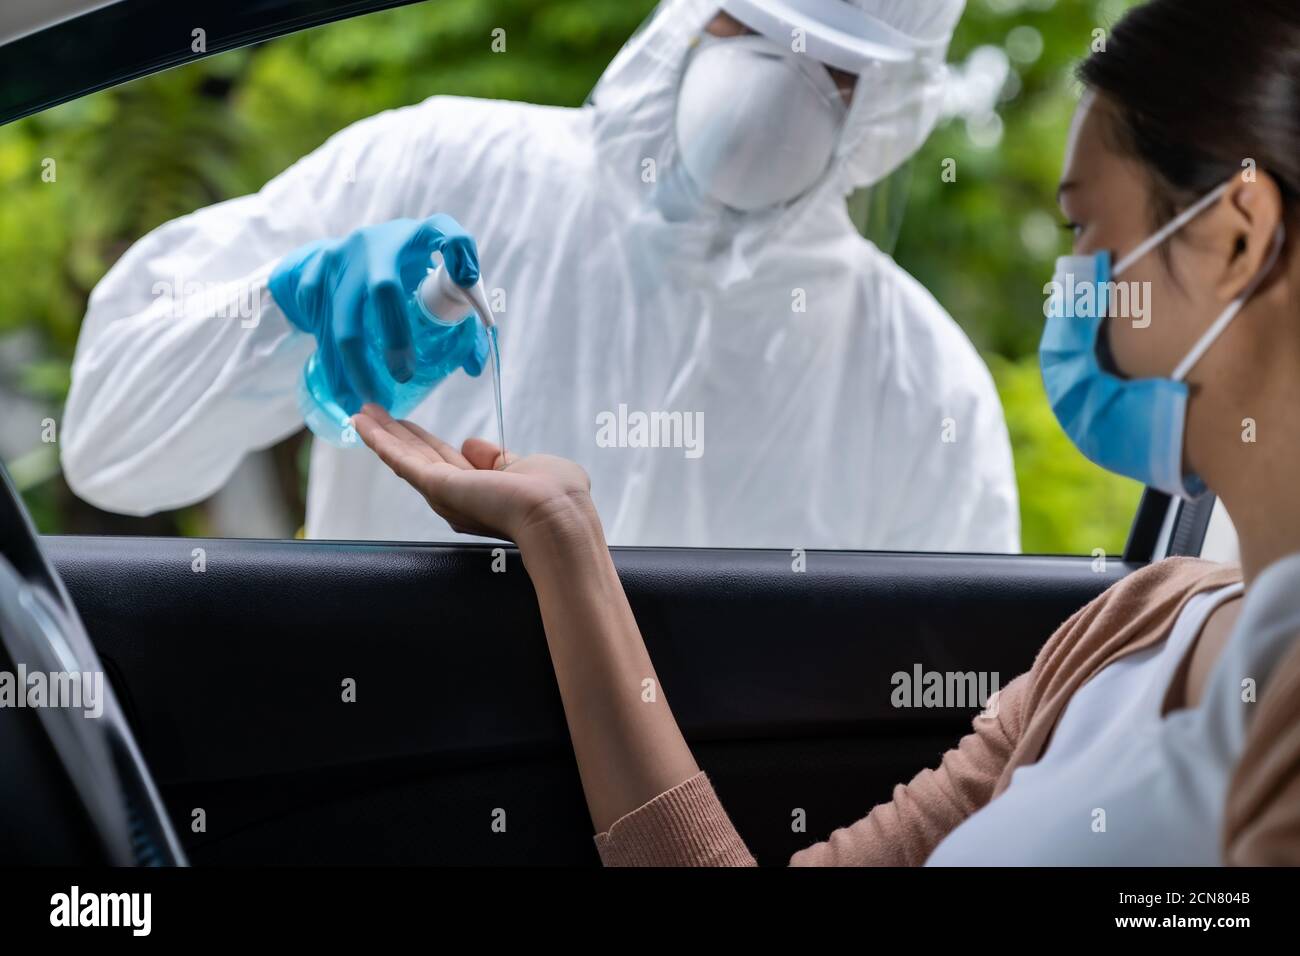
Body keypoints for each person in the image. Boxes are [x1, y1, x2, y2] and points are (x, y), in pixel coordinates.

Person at [349, 0, 1300, 864]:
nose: (1073, 289)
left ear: (1239, 236)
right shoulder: (1125, 632)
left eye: (1090, 236)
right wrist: (563, 535)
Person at [58, 0, 1020, 551]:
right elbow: (110, 448)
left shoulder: (920, 384)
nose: (775, 90)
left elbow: (958, 745)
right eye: (749, 30)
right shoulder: (439, 164)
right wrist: (284, 311)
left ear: (896, 108)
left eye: (837, 75)